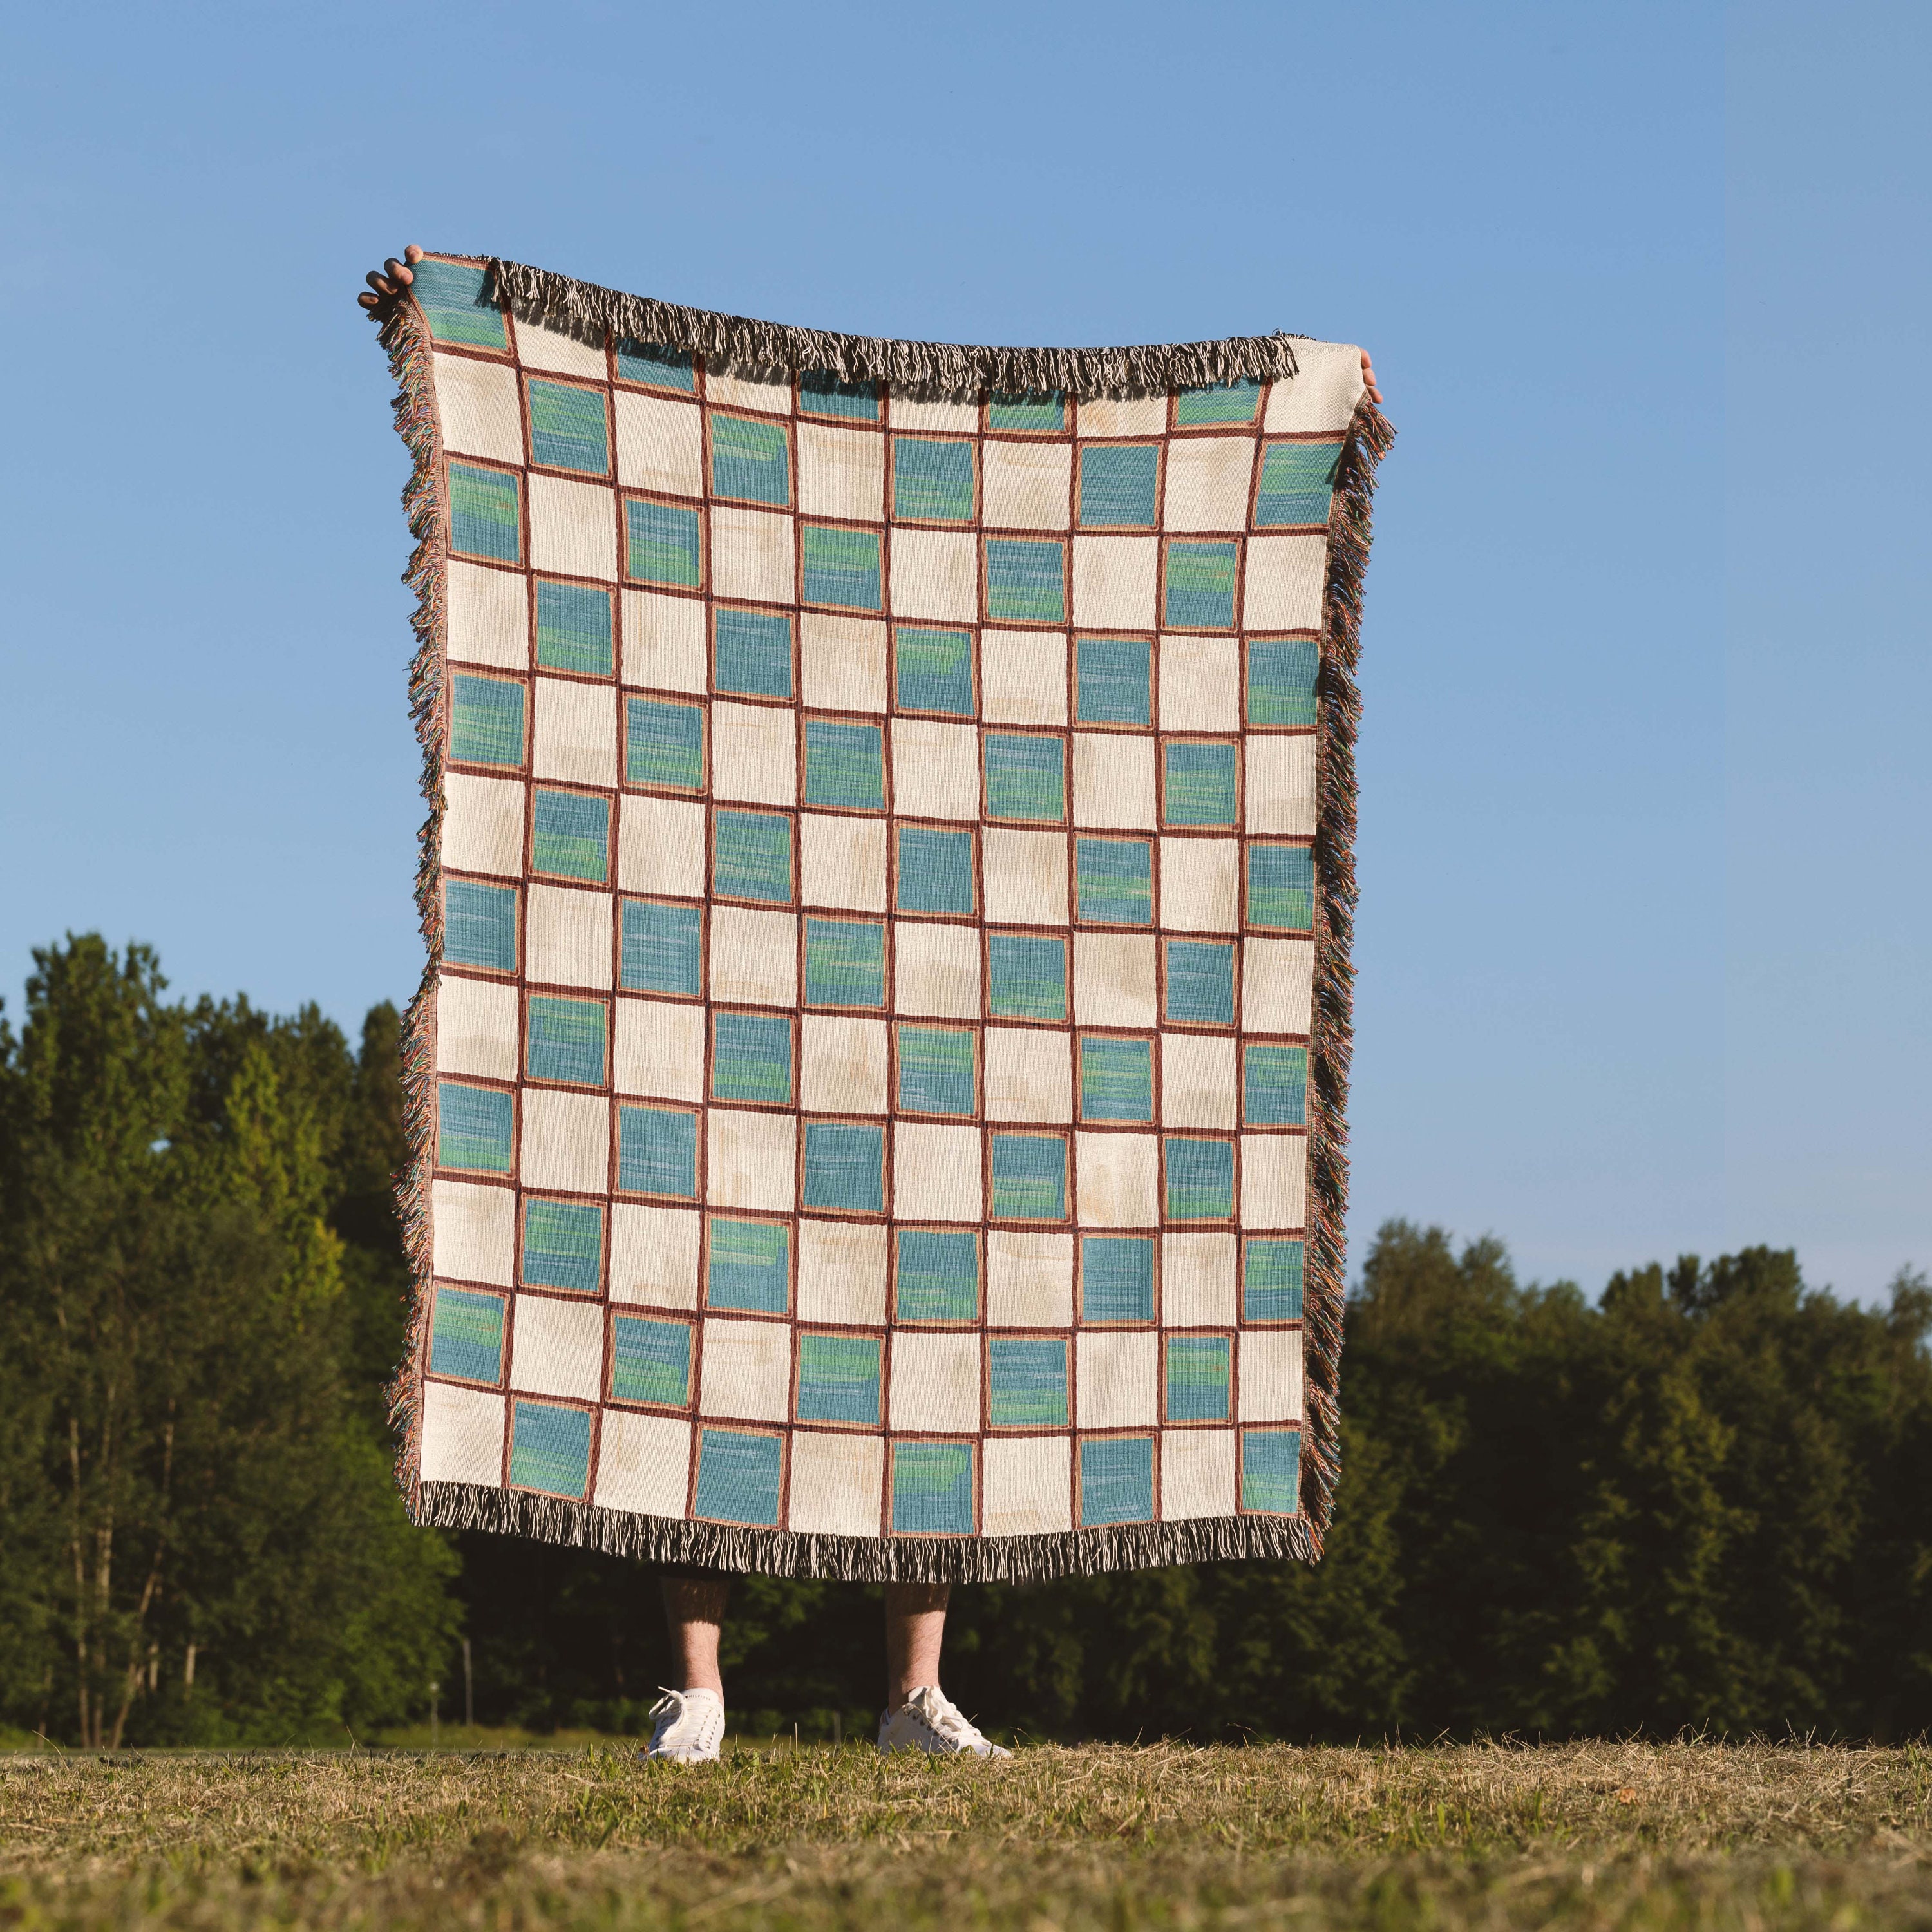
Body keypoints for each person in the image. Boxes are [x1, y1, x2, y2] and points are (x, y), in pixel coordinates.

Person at [358, 245, 1378, 1762]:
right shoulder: (747, 613)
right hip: (737, 991)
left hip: (939, 1005)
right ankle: (699, 1693)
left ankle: (913, 1697)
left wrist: (1309, 402)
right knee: (690, 1316)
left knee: (939, 1335)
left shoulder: (957, 655)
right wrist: (451, 306)